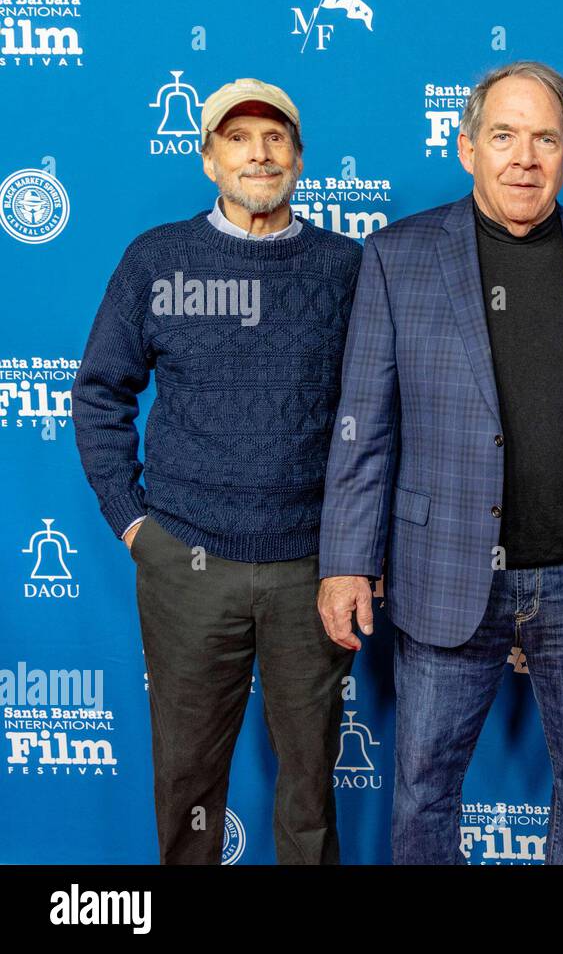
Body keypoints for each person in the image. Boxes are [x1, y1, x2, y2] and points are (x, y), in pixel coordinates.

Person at [316, 61, 563, 865]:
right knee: (424, 785)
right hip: (442, 572)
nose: (525, 157)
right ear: (466, 146)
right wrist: (346, 560)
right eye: (504, 136)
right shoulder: (396, 257)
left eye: (545, 138)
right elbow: (363, 425)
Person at [72, 78, 362, 864]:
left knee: (310, 784)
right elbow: (100, 393)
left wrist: (355, 554)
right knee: (188, 775)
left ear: (300, 160)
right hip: (186, 561)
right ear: (208, 160)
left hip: (312, 566)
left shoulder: (347, 269)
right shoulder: (158, 259)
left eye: (275, 139)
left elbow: (378, 416)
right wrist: (135, 526)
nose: (258, 154)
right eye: (238, 139)